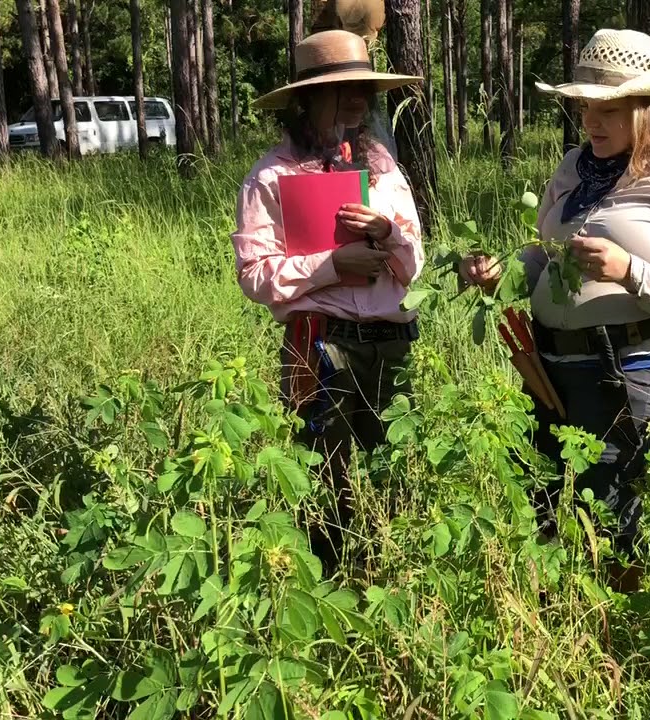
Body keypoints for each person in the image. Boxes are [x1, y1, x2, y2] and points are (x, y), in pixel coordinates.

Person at [458, 28, 650, 592]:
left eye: (609, 107)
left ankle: (617, 641)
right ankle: (551, 630)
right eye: (585, 104)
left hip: (630, 375)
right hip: (547, 369)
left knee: (617, 522)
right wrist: (506, 272)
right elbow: (550, 255)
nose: (590, 120)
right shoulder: (576, 168)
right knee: (544, 513)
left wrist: (631, 271)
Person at [231, 28, 425, 576]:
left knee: (394, 473)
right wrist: (332, 267)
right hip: (322, 345)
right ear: (308, 99)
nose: (358, 100)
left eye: (364, 88)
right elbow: (254, 274)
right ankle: (330, 590)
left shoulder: (384, 168)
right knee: (325, 479)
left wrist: (387, 233)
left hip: (392, 342)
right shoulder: (272, 175)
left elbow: (416, 262)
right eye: (344, 89)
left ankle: (390, 584)